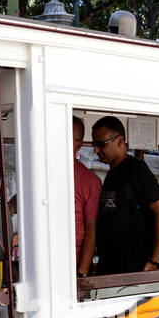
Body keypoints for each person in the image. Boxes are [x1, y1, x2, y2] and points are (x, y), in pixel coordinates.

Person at [90, 115, 159, 276]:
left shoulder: (136, 169)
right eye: (94, 144)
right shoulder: (112, 173)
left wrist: (153, 261)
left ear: (119, 141)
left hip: (134, 268)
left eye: (101, 144)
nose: (96, 150)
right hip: (112, 267)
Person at [72, 116, 101, 276]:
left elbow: (92, 230)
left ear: (78, 144)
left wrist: (82, 272)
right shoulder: (41, 173)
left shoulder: (90, 181)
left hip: (76, 264)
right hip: (44, 260)